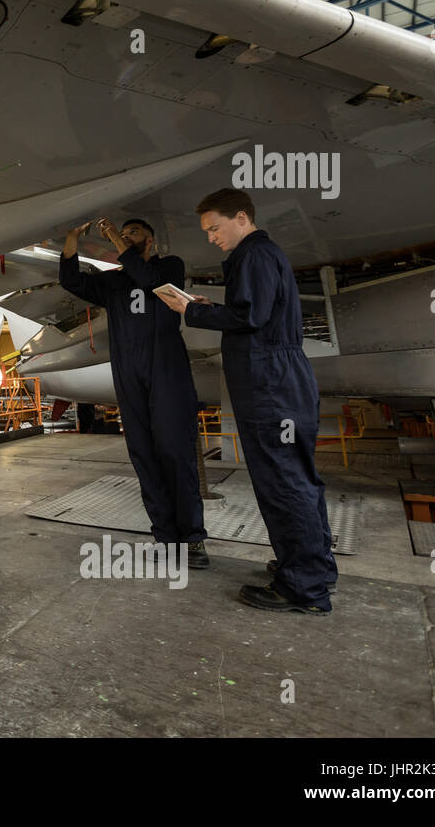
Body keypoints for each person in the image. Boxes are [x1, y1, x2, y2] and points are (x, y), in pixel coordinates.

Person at [157, 188, 337, 615]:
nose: (211, 238)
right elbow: (254, 312)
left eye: (214, 228)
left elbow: (248, 318)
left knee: (282, 481)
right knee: (298, 478)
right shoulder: (265, 255)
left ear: (241, 217)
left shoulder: (253, 256)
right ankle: (310, 567)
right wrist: (210, 306)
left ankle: (303, 588)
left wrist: (191, 312)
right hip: (284, 377)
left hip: (270, 383)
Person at [59, 217, 209, 569]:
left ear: (152, 241)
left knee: (176, 451)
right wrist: (70, 242)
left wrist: (112, 235)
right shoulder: (112, 283)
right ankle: (166, 537)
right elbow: (72, 280)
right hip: (128, 372)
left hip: (166, 367)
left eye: (134, 234)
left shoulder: (169, 267)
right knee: (144, 455)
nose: (126, 238)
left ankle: (193, 540)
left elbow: (148, 279)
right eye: (123, 235)